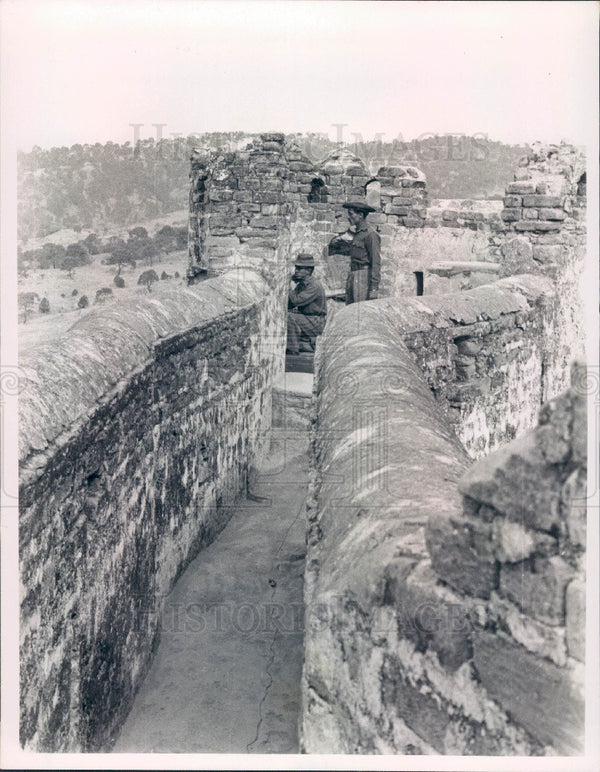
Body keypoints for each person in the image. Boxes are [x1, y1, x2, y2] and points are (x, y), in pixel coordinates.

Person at [286, 254, 327, 355]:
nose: (296, 271)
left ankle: (292, 350)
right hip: (307, 319)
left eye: (300, 269)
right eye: (296, 268)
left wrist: (288, 286)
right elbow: (290, 304)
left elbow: (296, 301)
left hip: (315, 321)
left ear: (308, 270)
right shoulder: (302, 284)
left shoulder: (313, 286)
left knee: (289, 317)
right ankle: (304, 345)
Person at [342, 200, 381, 304]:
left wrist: (374, 288)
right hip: (353, 275)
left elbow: (376, 262)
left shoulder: (371, 234)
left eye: (351, 214)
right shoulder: (357, 233)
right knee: (350, 307)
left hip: (363, 277)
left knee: (360, 308)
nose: (348, 217)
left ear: (360, 215)